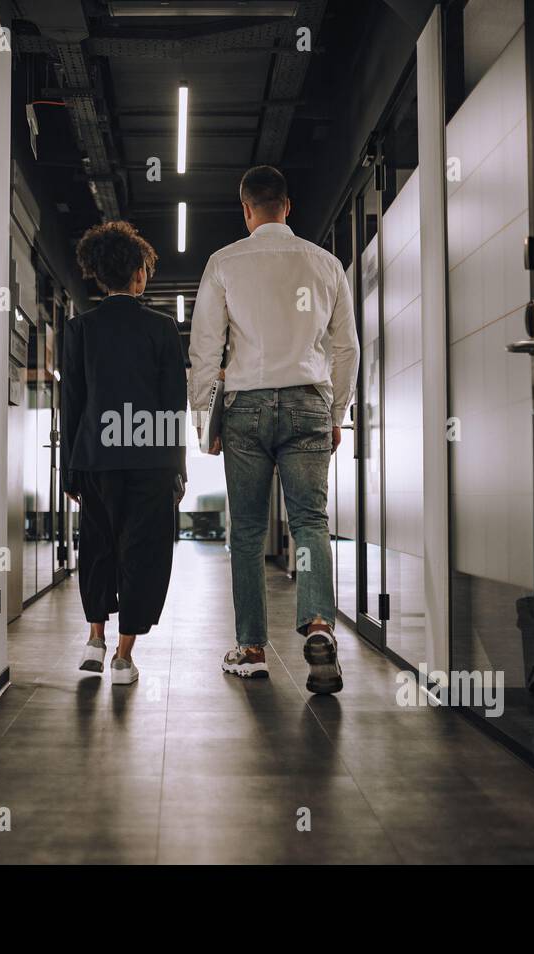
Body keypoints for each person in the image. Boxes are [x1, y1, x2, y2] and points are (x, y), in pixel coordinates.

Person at [188, 165, 358, 694]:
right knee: (310, 522)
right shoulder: (326, 264)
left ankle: (252, 648)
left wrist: (203, 419)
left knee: (246, 531)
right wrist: (335, 414)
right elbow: (346, 348)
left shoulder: (224, 264)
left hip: (246, 408)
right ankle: (319, 625)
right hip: (309, 401)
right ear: (288, 206)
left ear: (246, 211)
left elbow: (204, 349)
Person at [62, 221, 188, 686]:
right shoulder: (161, 329)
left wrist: (69, 473)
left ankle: (94, 639)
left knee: (97, 547)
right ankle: (122, 657)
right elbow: (173, 401)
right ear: (138, 275)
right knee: (144, 554)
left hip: (95, 458)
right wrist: (178, 467)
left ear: (98, 275)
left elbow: (71, 404)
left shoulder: (80, 330)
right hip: (150, 460)